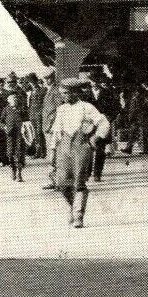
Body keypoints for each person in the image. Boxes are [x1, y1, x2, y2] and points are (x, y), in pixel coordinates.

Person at [51, 78, 110, 228]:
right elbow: (57, 131)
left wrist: (95, 138)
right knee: (62, 182)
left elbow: (104, 123)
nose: (63, 96)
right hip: (64, 147)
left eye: (66, 93)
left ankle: (78, 216)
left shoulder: (87, 107)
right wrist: (52, 150)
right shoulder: (61, 109)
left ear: (75, 92)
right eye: (62, 93)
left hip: (81, 147)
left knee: (79, 181)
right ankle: (73, 206)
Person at [85, 73, 117, 182]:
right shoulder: (85, 95)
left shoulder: (107, 93)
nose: (94, 83)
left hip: (103, 124)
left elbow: (115, 108)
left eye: (96, 81)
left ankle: (97, 173)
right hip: (90, 125)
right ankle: (87, 172)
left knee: (100, 150)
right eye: (92, 81)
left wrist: (109, 118)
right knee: (88, 149)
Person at [40, 71, 63, 190]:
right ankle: (54, 180)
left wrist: (51, 124)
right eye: (45, 78)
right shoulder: (49, 90)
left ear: (53, 78)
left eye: (48, 78)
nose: (46, 80)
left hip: (52, 127)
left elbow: (59, 109)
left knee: (54, 154)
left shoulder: (56, 90)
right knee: (52, 154)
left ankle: (58, 182)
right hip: (48, 126)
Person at [1, 92, 27, 182]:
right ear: (8, 101)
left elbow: (27, 120)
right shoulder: (6, 109)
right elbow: (1, 121)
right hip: (10, 134)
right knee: (10, 153)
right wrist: (4, 127)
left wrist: (24, 127)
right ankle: (13, 170)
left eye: (15, 99)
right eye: (12, 99)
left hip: (20, 134)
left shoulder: (21, 109)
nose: (14, 101)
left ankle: (19, 174)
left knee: (19, 153)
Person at [26, 73, 47, 160]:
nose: (32, 83)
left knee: (39, 133)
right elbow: (30, 104)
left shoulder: (43, 90)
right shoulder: (30, 91)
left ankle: (41, 152)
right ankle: (39, 152)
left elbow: (45, 103)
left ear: (36, 81)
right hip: (32, 115)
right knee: (35, 133)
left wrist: (41, 112)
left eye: (33, 81)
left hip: (39, 114)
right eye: (30, 82)